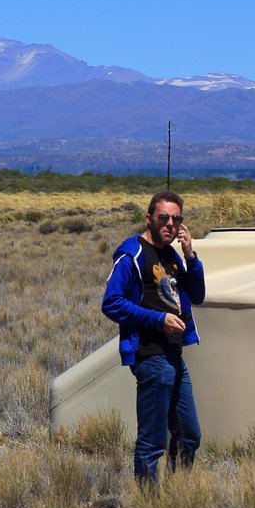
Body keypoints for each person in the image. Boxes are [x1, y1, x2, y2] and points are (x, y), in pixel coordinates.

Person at [101, 189, 207, 483]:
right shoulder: (131, 254)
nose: (170, 224)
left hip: (174, 355)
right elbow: (111, 303)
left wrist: (190, 256)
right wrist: (159, 320)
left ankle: (176, 498)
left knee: (189, 435)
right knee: (152, 443)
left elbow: (197, 294)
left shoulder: (171, 255)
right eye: (164, 217)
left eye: (176, 218)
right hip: (150, 356)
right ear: (149, 218)